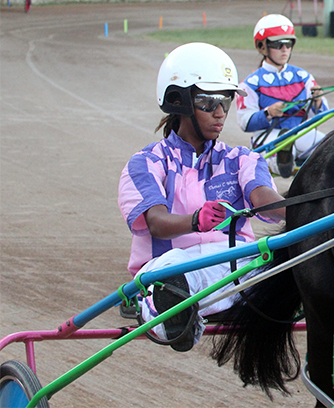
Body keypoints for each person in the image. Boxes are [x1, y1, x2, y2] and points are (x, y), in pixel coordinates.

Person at [118, 42, 286, 352]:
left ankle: (179, 309)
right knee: (171, 272)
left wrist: (310, 208)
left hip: (234, 265)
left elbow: (264, 198)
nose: (220, 113)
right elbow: (156, 223)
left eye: (225, 101)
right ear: (178, 102)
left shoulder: (242, 158)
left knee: (278, 258)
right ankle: (168, 306)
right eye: (208, 103)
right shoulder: (146, 163)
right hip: (170, 266)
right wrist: (195, 221)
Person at [237, 14, 329, 178]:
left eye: (289, 44)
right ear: (262, 47)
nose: (284, 49)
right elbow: (245, 122)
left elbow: (321, 115)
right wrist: (268, 113)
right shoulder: (250, 83)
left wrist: (318, 101)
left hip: (302, 133)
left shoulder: (303, 77)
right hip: (268, 136)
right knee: (285, 147)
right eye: (278, 44)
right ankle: (283, 161)